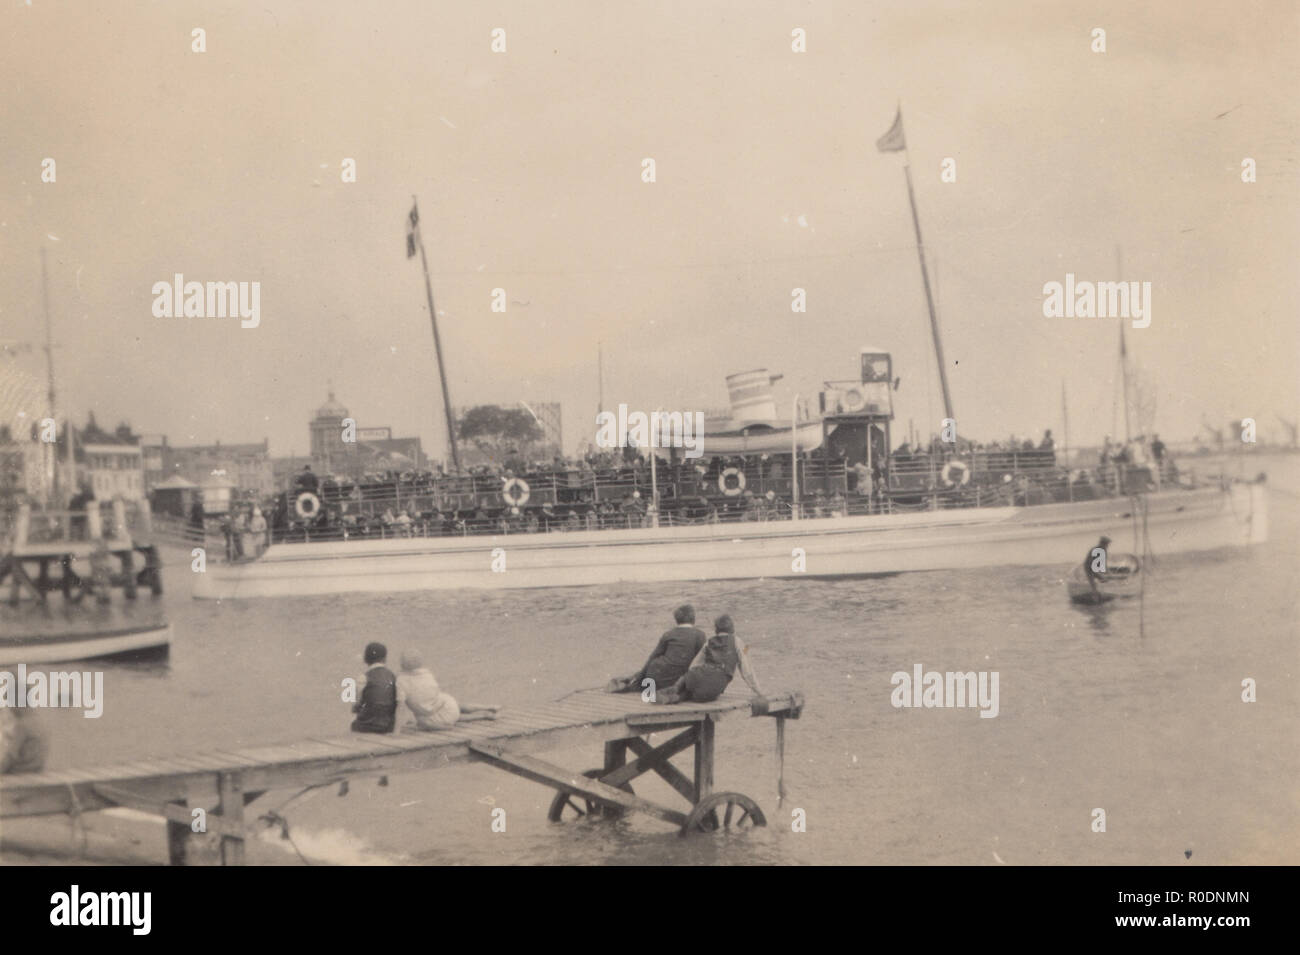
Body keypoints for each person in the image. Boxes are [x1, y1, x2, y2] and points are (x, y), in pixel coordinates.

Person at [659, 615, 764, 705]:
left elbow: (694, 665)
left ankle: (675, 688)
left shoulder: (709, 642)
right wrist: (758, 691)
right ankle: (676, 698)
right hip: (717, 681)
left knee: (692, 685)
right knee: (701, 694)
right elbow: (747, 671)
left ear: (716, 629)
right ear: (732, 629)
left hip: (696, 675)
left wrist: (687, 679)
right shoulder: (738, 641)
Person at [606, 604, 706, 694]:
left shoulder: (669, 634)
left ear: (677, 619)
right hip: (678, 678)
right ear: (693, 618)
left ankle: (631, 681)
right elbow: (700, 661)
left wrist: (640, 675)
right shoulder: (700, 635)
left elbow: (653, 656)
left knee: (641, 677)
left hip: (656, 674)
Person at [397, 650, 500, 731]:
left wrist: (396, 730)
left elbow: (400, 708)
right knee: (456, 707)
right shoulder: (427, 674)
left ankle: (482, 716)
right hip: (448, 704)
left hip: (437, 717)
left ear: (403, 663)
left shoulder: (401, 680)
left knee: (425, 721)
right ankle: (488, 707)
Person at [351, 641, 398, 734]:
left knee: (353, 720)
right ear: (384, 659)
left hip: (366, 725)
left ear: (365, 659)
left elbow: (356, 704)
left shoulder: (363, 677)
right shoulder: (393, 676)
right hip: (388, 726)